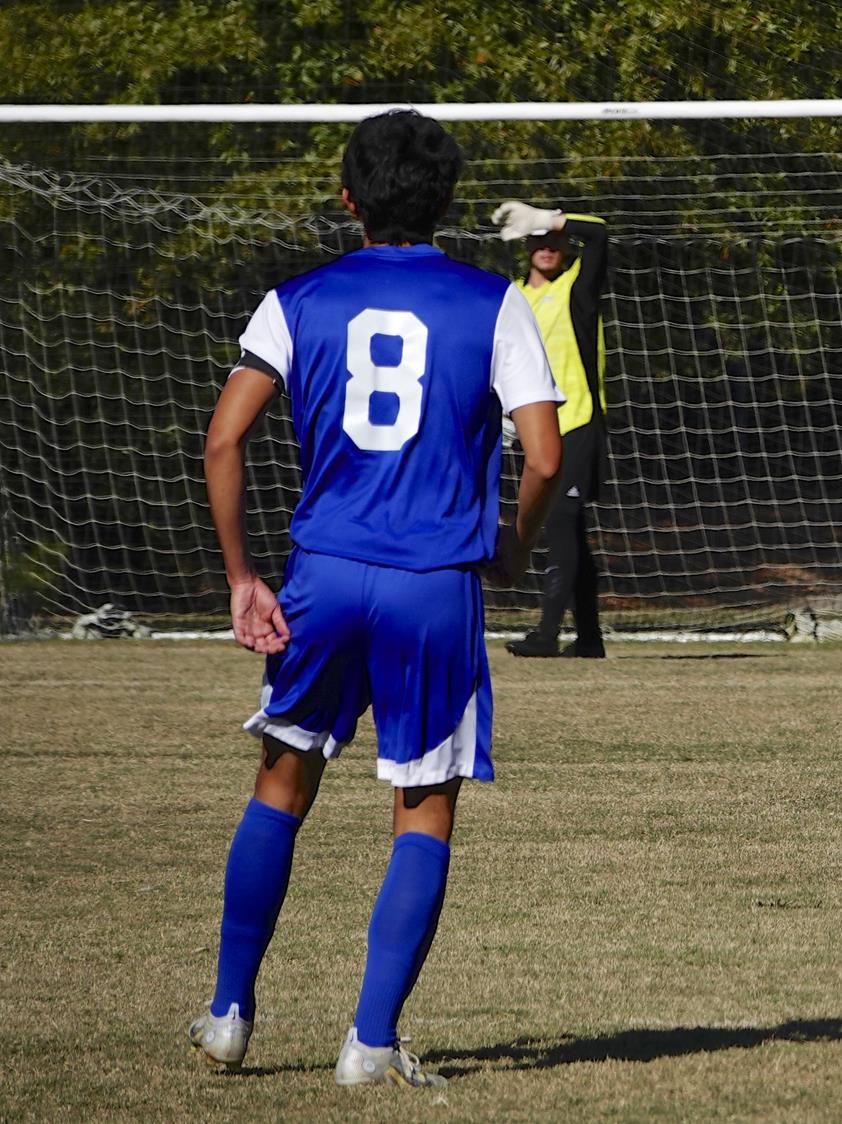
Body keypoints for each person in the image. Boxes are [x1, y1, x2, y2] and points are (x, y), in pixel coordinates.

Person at [187, 109, 564, 1088]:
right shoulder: (494, 303)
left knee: (280, 781)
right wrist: (511, 549)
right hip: (434, 583)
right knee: (423, 804)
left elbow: (222, 440)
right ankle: (369, 1041)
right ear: (446, 202)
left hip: (322, 573)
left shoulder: (294, 299)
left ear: (347, 197)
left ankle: (229, 1012)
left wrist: (241, 577)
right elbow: (546, 454)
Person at [492, 200, 612, 658]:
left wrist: (547, 218)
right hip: (532, 429)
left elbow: (600, 233)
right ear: (525, 248)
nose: (546, 247)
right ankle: (591, 639)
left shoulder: (574, 292)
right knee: (570, 530)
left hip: (576, 423)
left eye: (553, 240)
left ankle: (546, 634)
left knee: (560, 524)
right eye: (538, 240)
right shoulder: (512, 298)